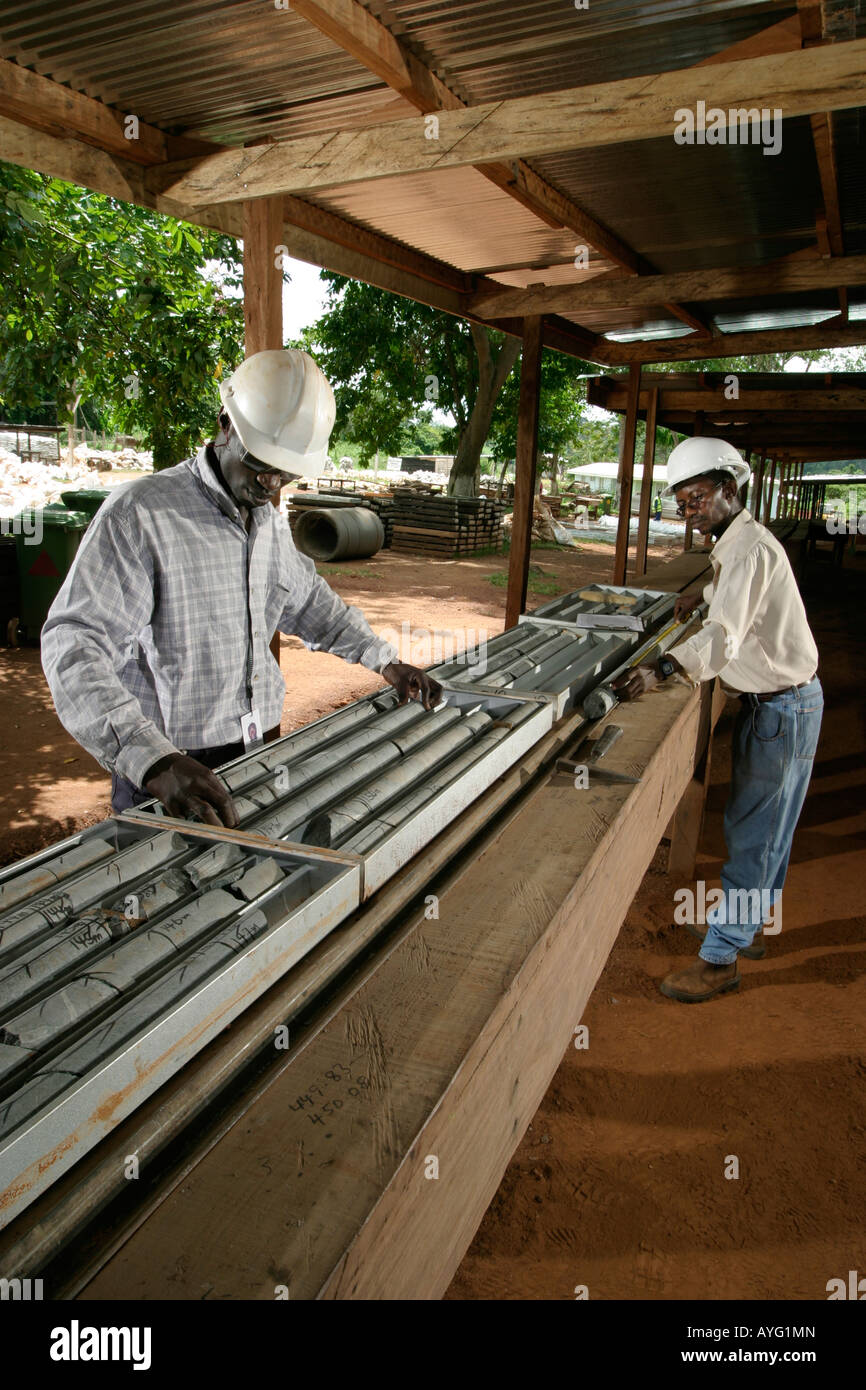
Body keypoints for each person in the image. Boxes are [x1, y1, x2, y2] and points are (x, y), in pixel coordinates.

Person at [42, 349, 441, 827]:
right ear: (225, 426)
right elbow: (74, 642)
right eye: (260, 464)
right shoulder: (142, 514)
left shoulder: (267, 522)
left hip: (258, 749)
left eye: (285, 473)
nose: (270, 483)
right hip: (174, 769)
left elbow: (312, 603)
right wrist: (153, 762)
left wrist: (385, 660)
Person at [612, 437, 823, 1003]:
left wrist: (661, 667)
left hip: (784, 706)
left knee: (755, 836)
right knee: (768, 830)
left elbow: (726, 638)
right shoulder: (738, 544)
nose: (690, 509)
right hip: (779, 704)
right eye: (683, 501)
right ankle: (747, 929)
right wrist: (702, 596)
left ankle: (720, 959)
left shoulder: (750, 549)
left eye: (699, 496)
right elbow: (732, 598)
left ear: (729, 489)